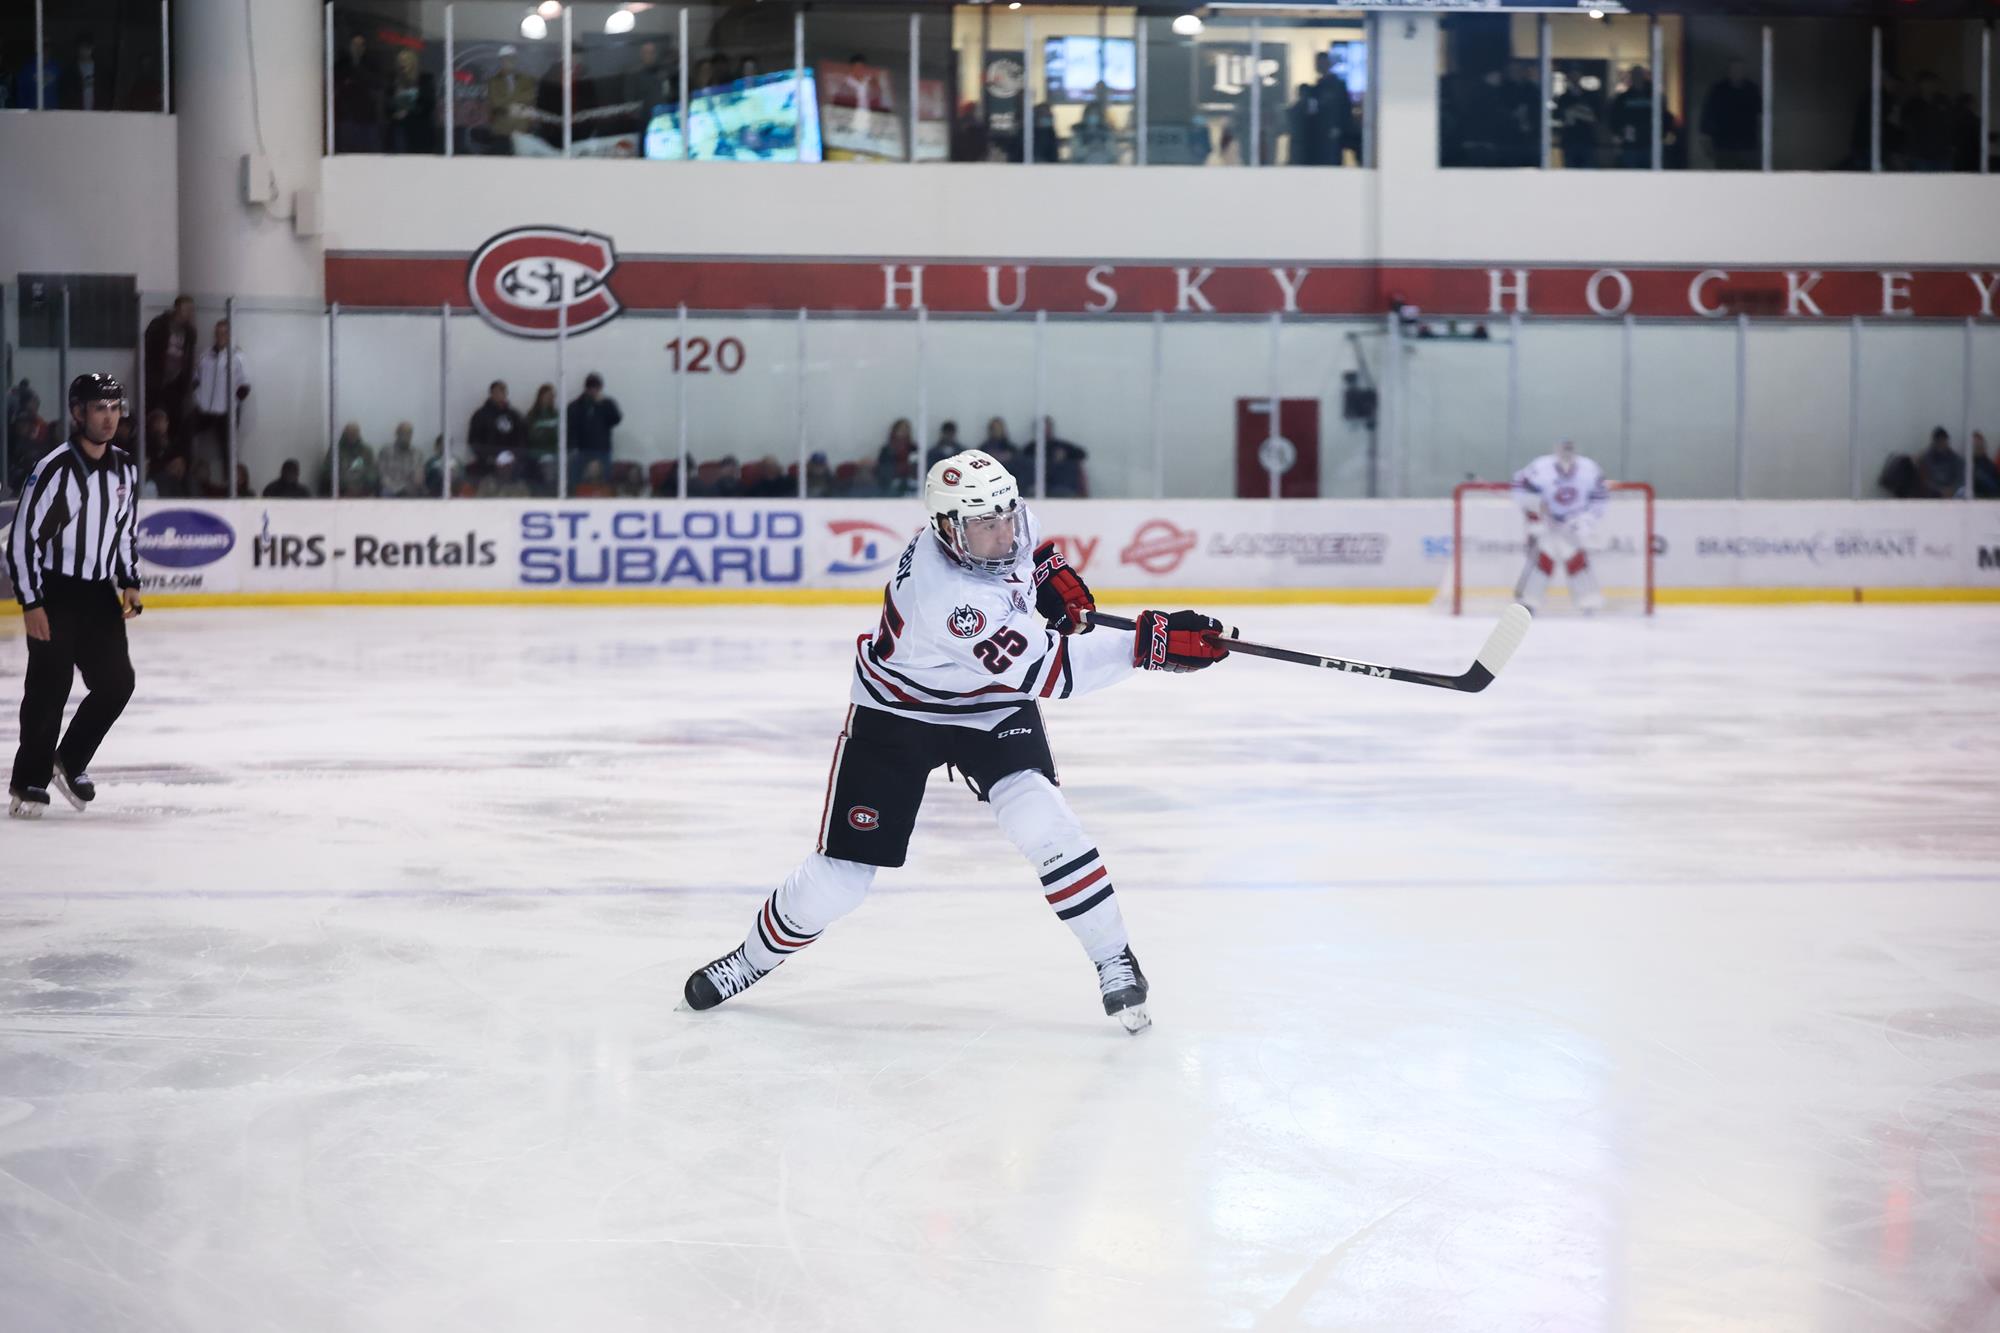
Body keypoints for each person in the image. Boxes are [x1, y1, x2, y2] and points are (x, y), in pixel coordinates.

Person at [678, 449, 1230, 1031]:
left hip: (988, 704)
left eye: (1005, 519)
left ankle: (1114, 958)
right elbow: (1052, 674)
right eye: (982, 526)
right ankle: (748, 960)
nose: (1001, 535)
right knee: (840, 879)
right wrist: (1150, 645)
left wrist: (1051, 578)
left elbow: (1034, 552)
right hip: (897, 711)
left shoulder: (1001, 522)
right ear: (945, 529)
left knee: (1044, 821)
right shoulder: (950, 602)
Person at [6, 374, 142, 820]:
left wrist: (130, 579)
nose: (109, 417)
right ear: (78, 413)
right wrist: (31, 602)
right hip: (55, 591)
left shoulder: (126, 469)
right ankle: (29, 781)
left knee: (117, 683)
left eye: (115, 408)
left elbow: (124, 532)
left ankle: (70, 758)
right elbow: (22, 540)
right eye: (99, 408)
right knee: (49, 687)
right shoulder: (53, 469)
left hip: (98, 595)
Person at [1511, 439, 1611, 613]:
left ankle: (1588, 601)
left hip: (1573, 523)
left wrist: (1586, 519)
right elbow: (1519, 488)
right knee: (1544, 560)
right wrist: (1536, 509)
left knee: (1576, 560)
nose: (1566, 453)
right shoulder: (1541, 467)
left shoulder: (1589, 469)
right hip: (1548, 522)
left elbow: (1600, 497)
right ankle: (1529, 601)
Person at [187, 318, 250, 489]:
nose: (220, 336)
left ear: (230, 335)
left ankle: (229, 484)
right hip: (205, 409)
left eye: (224, 333)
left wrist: (233, 403)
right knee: (186, 432)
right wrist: (198, 398)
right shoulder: (206, 356)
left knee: (228, 449)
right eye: (218, 333)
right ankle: (187, 474)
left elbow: (244, 385)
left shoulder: (237, 357)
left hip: (226, 412)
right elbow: (195, 379)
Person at [142, 296, 197, 428]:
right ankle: (152, 446)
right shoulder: (159, 325)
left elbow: (189, 358)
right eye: (186, 309)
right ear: (177, 309)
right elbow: (149, 349)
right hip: (156, 380)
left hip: (176, 383)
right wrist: (151, 376)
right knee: (152, 419)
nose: (189, 313)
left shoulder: (189, 332)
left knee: (175, 420)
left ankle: (170, 447)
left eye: (191, 310)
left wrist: (186, 382)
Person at [1700, 59, 1761, 171]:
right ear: (1728, 71)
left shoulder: (1752, 90)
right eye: (1734, 69)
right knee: (1725, 180)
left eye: (1740, 69)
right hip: (1724, 146)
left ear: (1744, 71)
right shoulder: (1718, 91)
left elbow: (1760, 116)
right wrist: (1706, 139)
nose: (1737, 72)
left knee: (1748, 180)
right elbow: (1708, 115)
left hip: (1747, 145)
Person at [566, 373, 623, 487]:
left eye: (596, 388)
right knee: (575, 481)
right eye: (591, 387)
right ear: (586, 388)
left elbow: (616, 419)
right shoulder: (576, 405)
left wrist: (603, 404)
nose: (594, 391)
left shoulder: (607, 403)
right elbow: (571, 428)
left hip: (602, 450)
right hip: (581, 450)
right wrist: (572, 448)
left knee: (604, 482)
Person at [332, 33, 381, 153]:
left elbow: (377, 85)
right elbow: (336, 86)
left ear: (365, 48)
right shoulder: (342, 65)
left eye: (361, 45)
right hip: (347, 117)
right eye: (355, 45)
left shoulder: (371, 65)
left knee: (369, 154)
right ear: (349, 46)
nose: (357, 48)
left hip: (367, 118)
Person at [484, 46, 538, 154]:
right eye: (505, 59)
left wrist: (507, 102)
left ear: (516, 60)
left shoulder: (527, 80)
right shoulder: (493, 81)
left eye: (512, 58)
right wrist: (518, 102)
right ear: (501, 61)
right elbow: (496, 102)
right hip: (501, 132)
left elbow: (530, 97)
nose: (509, 62)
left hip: (522, 131)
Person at [384, 48, 437, 155]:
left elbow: (429, 104)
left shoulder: (424, 81)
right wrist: (394, 113)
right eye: (400, 61)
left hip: (419, 131)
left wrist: (408, 112)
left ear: (413, 63)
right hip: (399, 131)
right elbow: (387, 106)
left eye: (406, 60)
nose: (403, 64)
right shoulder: (392, 82)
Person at [467, 380, 526, 475]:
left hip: (510, 463)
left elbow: (521, 438)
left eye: (503, 391)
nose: (500, 395)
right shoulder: (480, 415)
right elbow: (474, 439)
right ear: (491, 394)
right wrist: (487, 457)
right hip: (487, 463)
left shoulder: (514, 416)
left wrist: (514, 456)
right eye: (497, 392)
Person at [327, 422, 378, 498]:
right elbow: (328, 471)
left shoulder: (366, 450)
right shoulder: (335, 450)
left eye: (354, 434)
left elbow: (372, 470)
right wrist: (345, 486)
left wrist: (365, 485)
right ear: (344, 434)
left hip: (362, 488)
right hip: (342, 488)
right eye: (350, 434)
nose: (352, 437)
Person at [376, 422, 424, 497]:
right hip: (391, 489)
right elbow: (382, 476)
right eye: (403, 433)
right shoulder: (385, 452)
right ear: (396, 434)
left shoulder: (417, 453)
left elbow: (418, 477)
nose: (406, 436)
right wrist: (397, 490)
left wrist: (411, 486)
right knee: (386, 492)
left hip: (410, 490)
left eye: (409, 433)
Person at [874, 418, 919, 496]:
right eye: (901, 429)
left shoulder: (914, 448)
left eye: (906, 429)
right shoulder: (887, 450)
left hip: (911, 481)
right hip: (891, 482)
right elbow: (883, 468)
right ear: (895, 431)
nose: (904, 431)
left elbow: (918, 466)